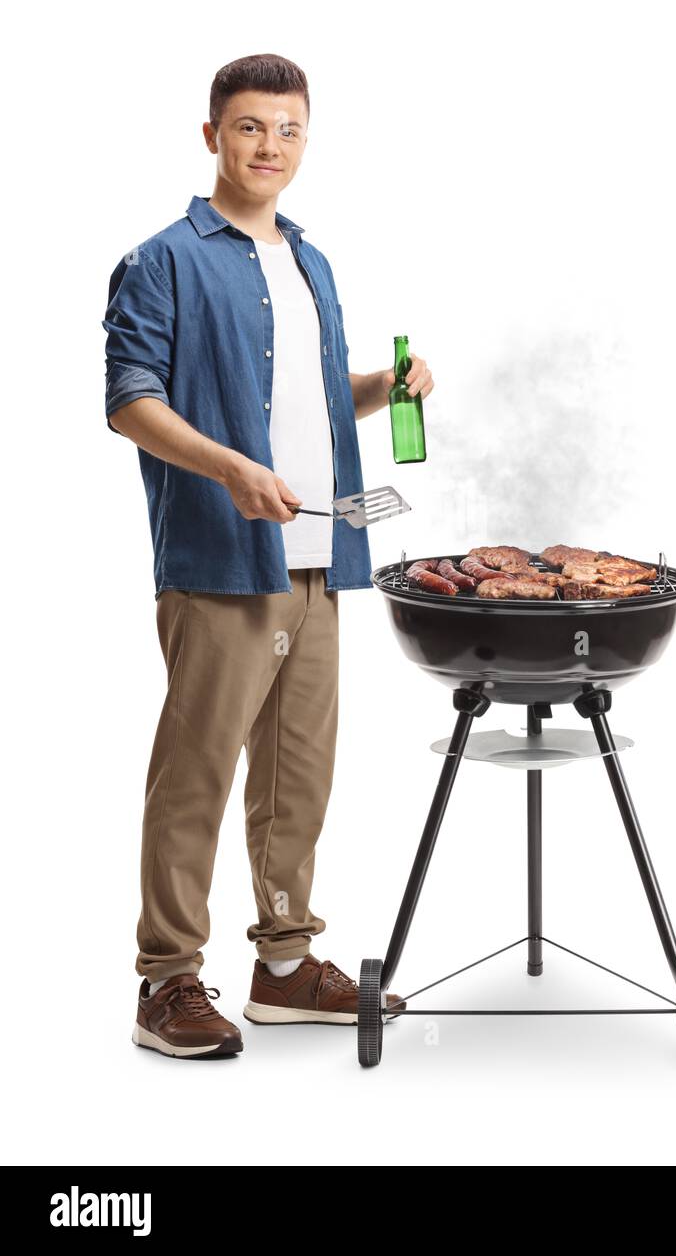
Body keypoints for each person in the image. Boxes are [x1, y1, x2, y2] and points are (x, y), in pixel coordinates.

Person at [104, 53, 434, 1058]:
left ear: (305, 139)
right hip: (219, 557)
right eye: (249, 127)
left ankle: (283, 964)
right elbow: (129, 402)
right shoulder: (161, 259)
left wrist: (389, 382)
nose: (268, 147)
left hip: (318, 554)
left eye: (287, 129)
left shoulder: (309, 260)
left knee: (298, 774)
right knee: (197, 771)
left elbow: (314, 393)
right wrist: (230, 472)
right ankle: (166, 981)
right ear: (212, 135)